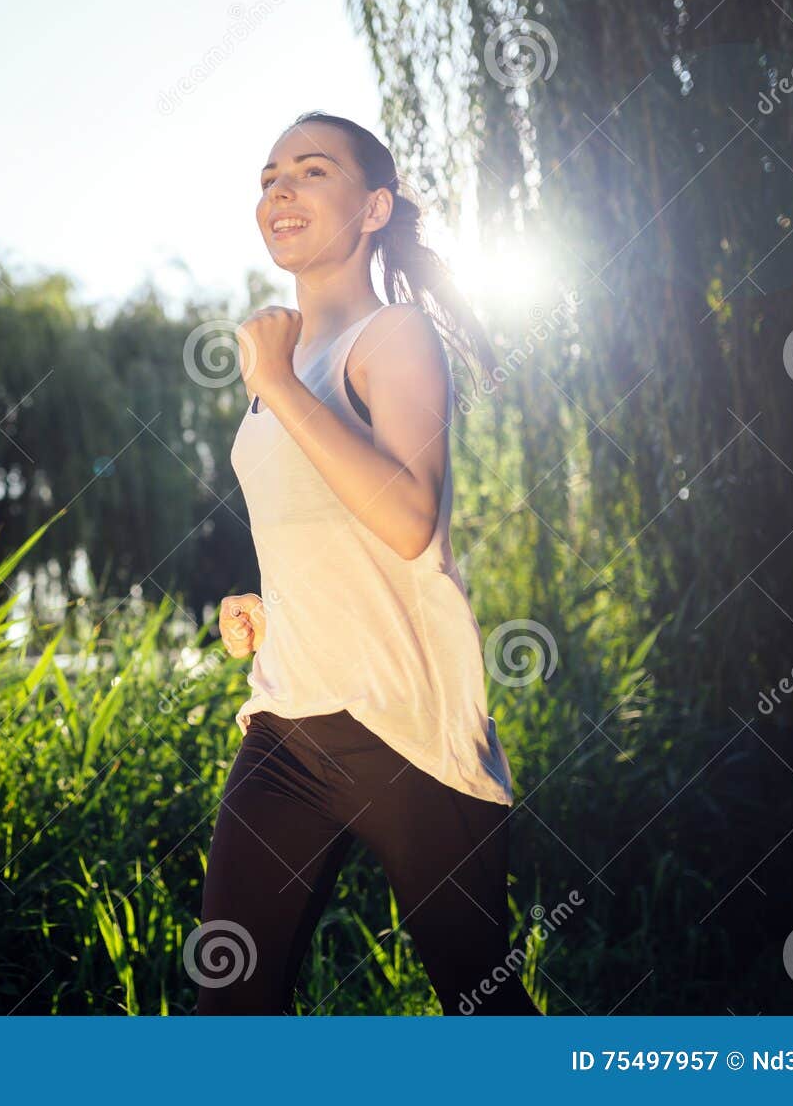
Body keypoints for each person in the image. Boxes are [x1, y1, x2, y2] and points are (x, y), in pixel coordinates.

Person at [195, 111, 542, 1016]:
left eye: (311, 170)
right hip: (287, 719)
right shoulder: (286, 361)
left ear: (374, 207)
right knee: (229, 997)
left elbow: (407, 520)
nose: (280, 188)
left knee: (480, 1000)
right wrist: (266, 602)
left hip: (404, 727)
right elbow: (323, 531)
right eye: (270, 174)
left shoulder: (393, 339)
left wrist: (273, 381)